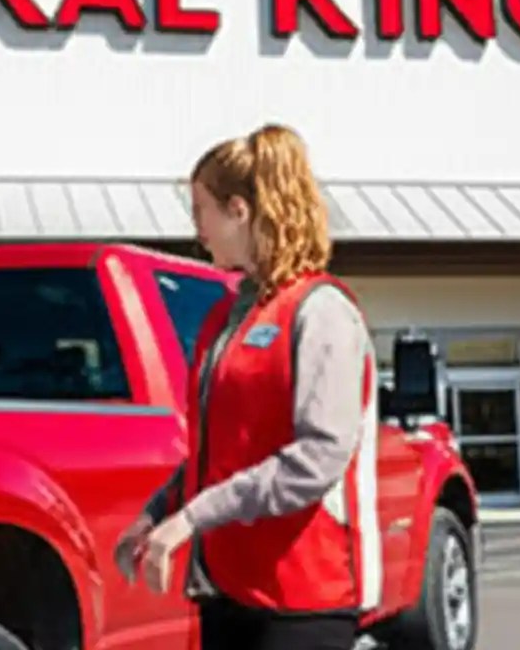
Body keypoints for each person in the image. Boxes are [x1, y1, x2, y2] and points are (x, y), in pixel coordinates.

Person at [114, 124, 379, 650]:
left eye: (201, 211)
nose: (198, 230)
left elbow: (318, 458)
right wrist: (156, 514)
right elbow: (222, 451)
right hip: (230, 589)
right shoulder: (226, 316)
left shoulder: (321, 312)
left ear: (240, 210)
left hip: (304, 596)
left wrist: (192, 517)